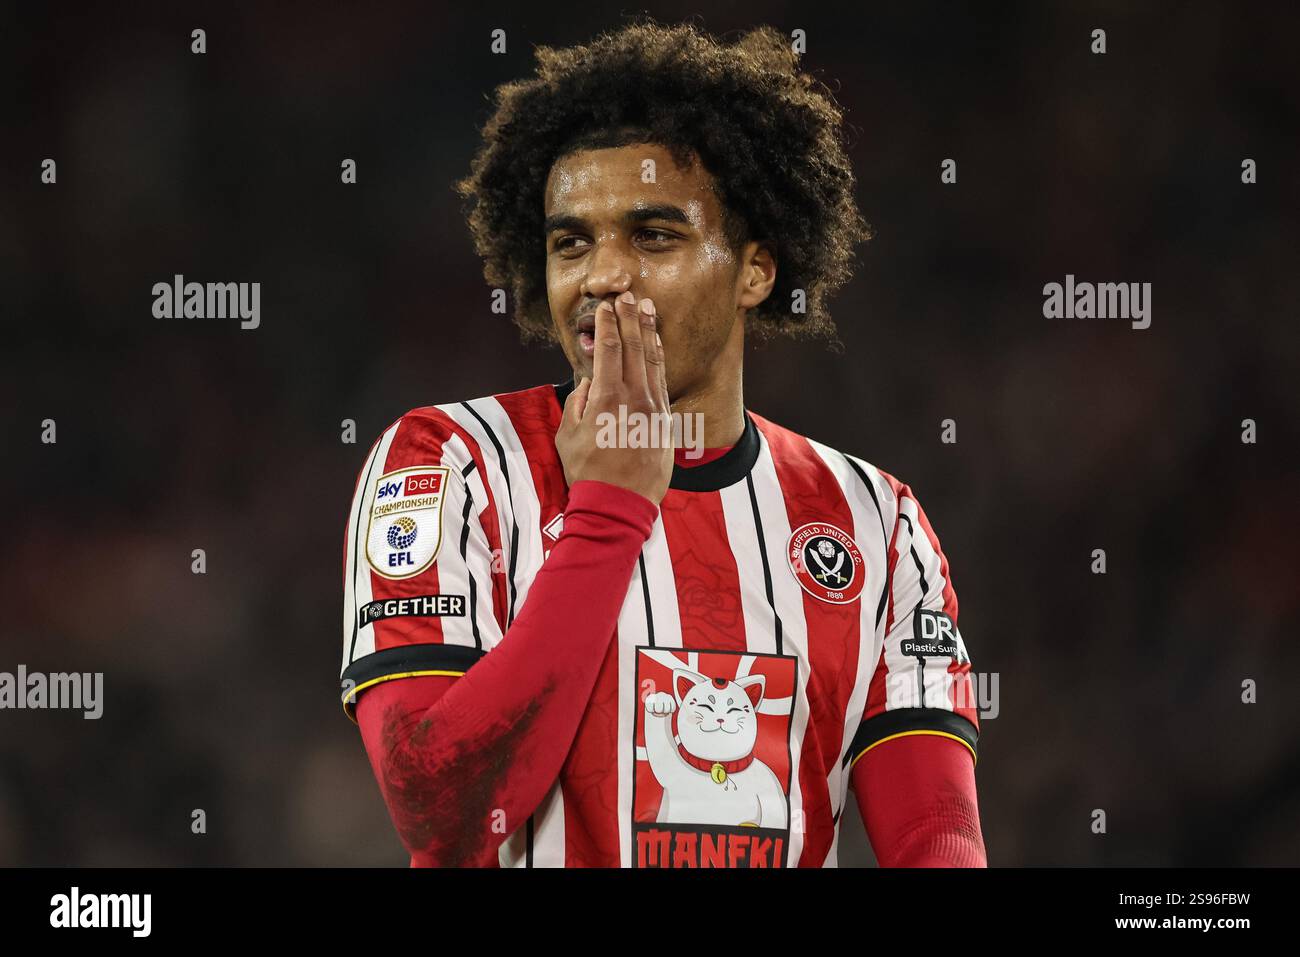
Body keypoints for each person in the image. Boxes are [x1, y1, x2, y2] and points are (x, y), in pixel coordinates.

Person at [339, 20, 986, 868]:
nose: (603, 273)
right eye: (571, 240)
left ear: (756, 268)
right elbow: (438, 809)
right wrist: (608, 514)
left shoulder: (874, 520)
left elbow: (935, 837)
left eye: (653, 235)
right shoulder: (446, 462)